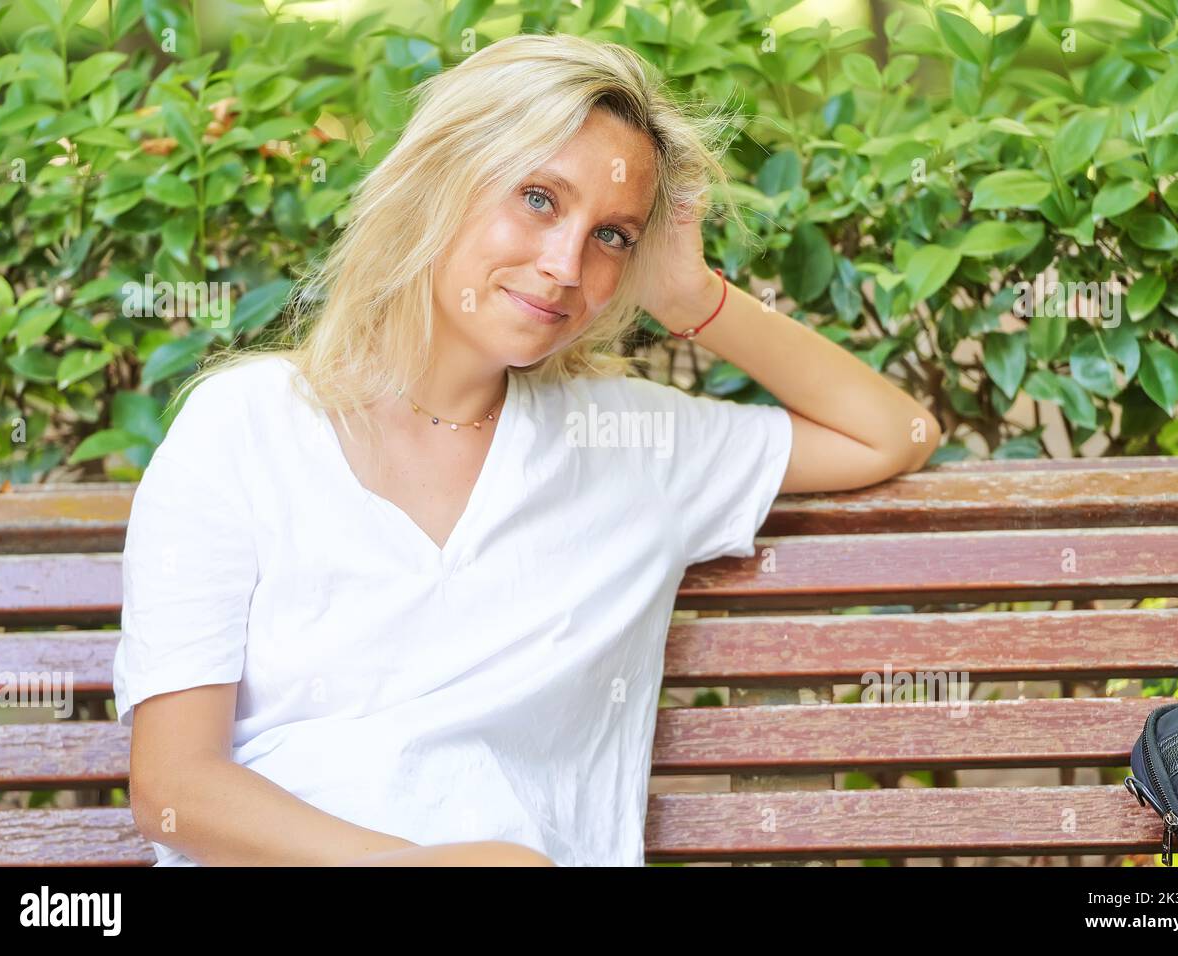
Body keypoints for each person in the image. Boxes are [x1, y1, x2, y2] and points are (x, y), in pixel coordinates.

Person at [115, 32, 941, 867]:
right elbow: (175, 787)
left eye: (612, 236)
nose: (565, 264)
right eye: (540, 199)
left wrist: (691, 295)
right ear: (441, 178)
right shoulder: (244, 425)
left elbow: (894, 433)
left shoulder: (636, 444)